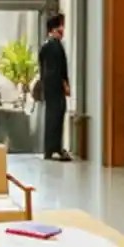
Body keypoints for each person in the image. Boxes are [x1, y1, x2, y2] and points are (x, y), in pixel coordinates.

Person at [38, 13, 72, 162]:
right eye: (60, 26)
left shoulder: (47, 46)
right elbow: (59, 69)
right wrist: (64, 83)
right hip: (55, 86)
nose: (62, 29)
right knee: (55, 115)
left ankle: (52, 148)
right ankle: (53, 147)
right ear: (53, 29)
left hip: (50, 86)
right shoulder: (54, 46)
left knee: (54, 115)